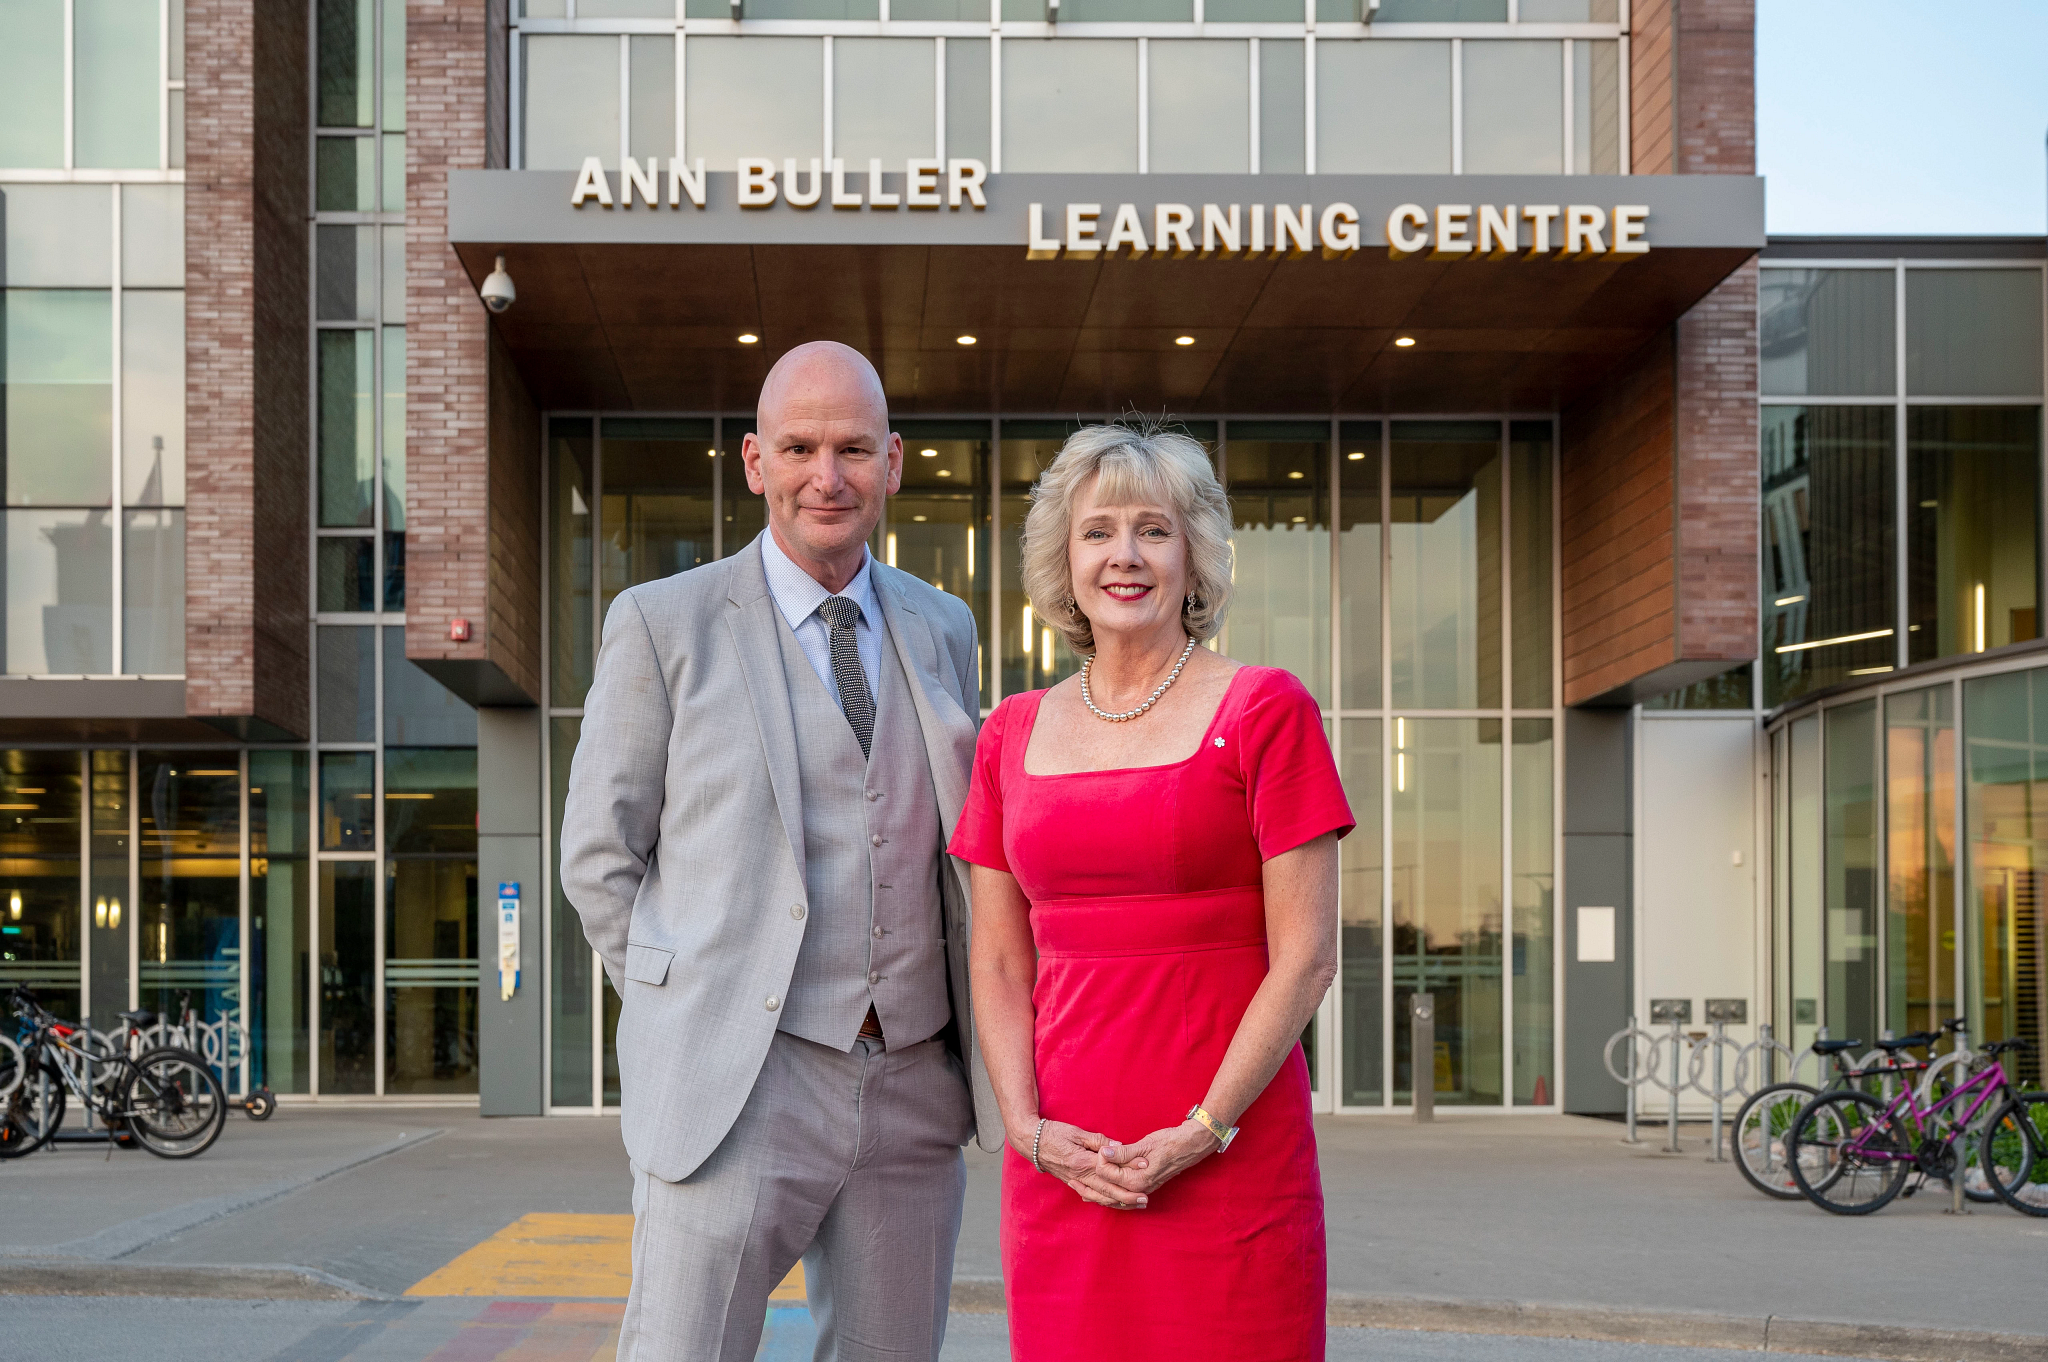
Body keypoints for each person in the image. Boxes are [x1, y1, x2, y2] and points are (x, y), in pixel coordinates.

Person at [560, 341, 1001, 1362]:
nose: (827, 476)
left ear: (892, 463)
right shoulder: (663, 623)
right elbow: (598, 853)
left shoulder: (944, 626)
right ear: (754, 462)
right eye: (799, 447)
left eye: (852, 448)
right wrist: (682, 1001)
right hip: (736, 1081)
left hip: (912, 1083)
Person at [950, 424, 1351, 1361]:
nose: (1123, 557)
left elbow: (1308, 957)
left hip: (1230, 1155)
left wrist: (1203, 1131)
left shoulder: (1265, 709)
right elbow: (1000, 959)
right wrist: (1027, 1130)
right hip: (1066, 1165)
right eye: (1097, 533)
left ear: (1194, 555)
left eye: (1152, 531)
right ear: (1064, 559)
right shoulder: (1009, 732)